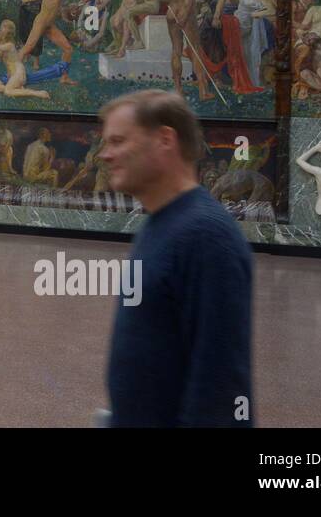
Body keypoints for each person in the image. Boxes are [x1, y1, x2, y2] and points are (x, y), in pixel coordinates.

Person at [99, 90, 254, 427]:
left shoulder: (206, 237)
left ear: (165, 139)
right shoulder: (161, 222)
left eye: (118, 141)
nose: (105, 155)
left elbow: (221, 387)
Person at [20, 0, 88, 85]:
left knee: (68, 49)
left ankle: (64, 77)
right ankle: (12, 75)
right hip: (41, 22)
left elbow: (60, 9)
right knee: (28, 47)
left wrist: (68, 15)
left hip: (49, 25)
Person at [7, 0, 48, 69]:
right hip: (24, 6)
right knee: (23, 32)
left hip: (35, 6)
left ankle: (36, 61)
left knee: (36, 33)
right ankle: (26, 54)